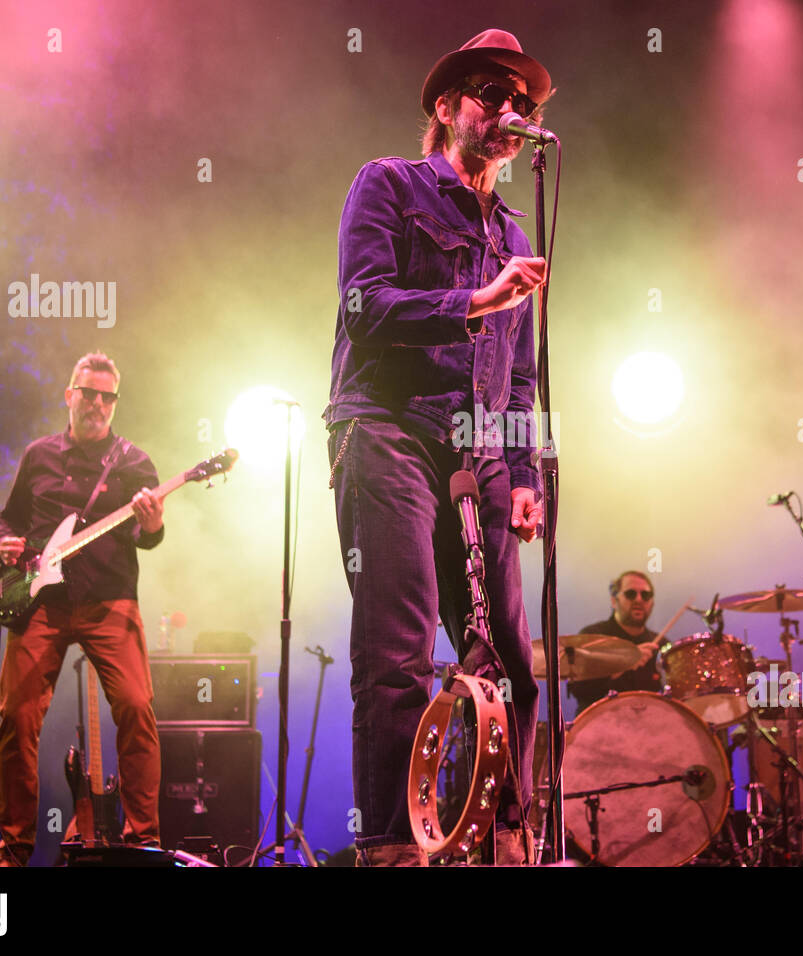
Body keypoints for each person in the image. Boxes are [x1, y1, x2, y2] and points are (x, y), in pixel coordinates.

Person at [324, 28, 551, 866]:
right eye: (493, 94)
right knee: (399, 652)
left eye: (522, 101)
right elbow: (364, 308)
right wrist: (473, 298)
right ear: (446, 106)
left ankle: (505, 837)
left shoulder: (516, 232)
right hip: (386, 428)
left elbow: (520, 375)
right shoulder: (388, 184)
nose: (510, 111)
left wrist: (524, 471)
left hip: (482, 450)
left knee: (514, 670)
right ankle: (390, 844)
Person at [0, 352, 165, 866]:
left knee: (136, 707)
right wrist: (5, 545)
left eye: (106, 396)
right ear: (69, 395)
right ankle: (14, 850)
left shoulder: (135, 462)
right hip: (43, 602)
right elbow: (9, 520)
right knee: (16, 716)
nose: (96, 403)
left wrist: (153, 524)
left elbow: (148, 538)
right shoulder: (38, 455)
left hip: (110, 599)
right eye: (87, 393)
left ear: (115, 403)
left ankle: (143, 842)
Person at [568, 570, 664, 713]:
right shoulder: (593, 638)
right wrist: (623, 664)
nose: (639, 599)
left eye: (645, 595)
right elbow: (579, 690)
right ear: (614, 601)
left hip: (649, 728)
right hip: (599, 726)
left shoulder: (661, 644)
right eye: (630, 594)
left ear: (652, 603)